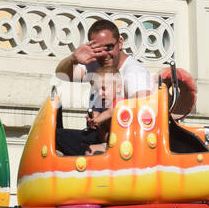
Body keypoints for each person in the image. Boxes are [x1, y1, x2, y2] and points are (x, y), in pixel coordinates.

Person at [54, 19, 152, 155]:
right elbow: (61, 74)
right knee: (54, 137)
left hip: (123, 145)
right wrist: (73, 58)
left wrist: (103, 119)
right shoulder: (95, 65)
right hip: (98, 136)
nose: (105, 54)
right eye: (98, 49)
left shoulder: (135, 73)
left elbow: (144, 111)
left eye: (109, 47)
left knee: (57, 139)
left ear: (120, 43)